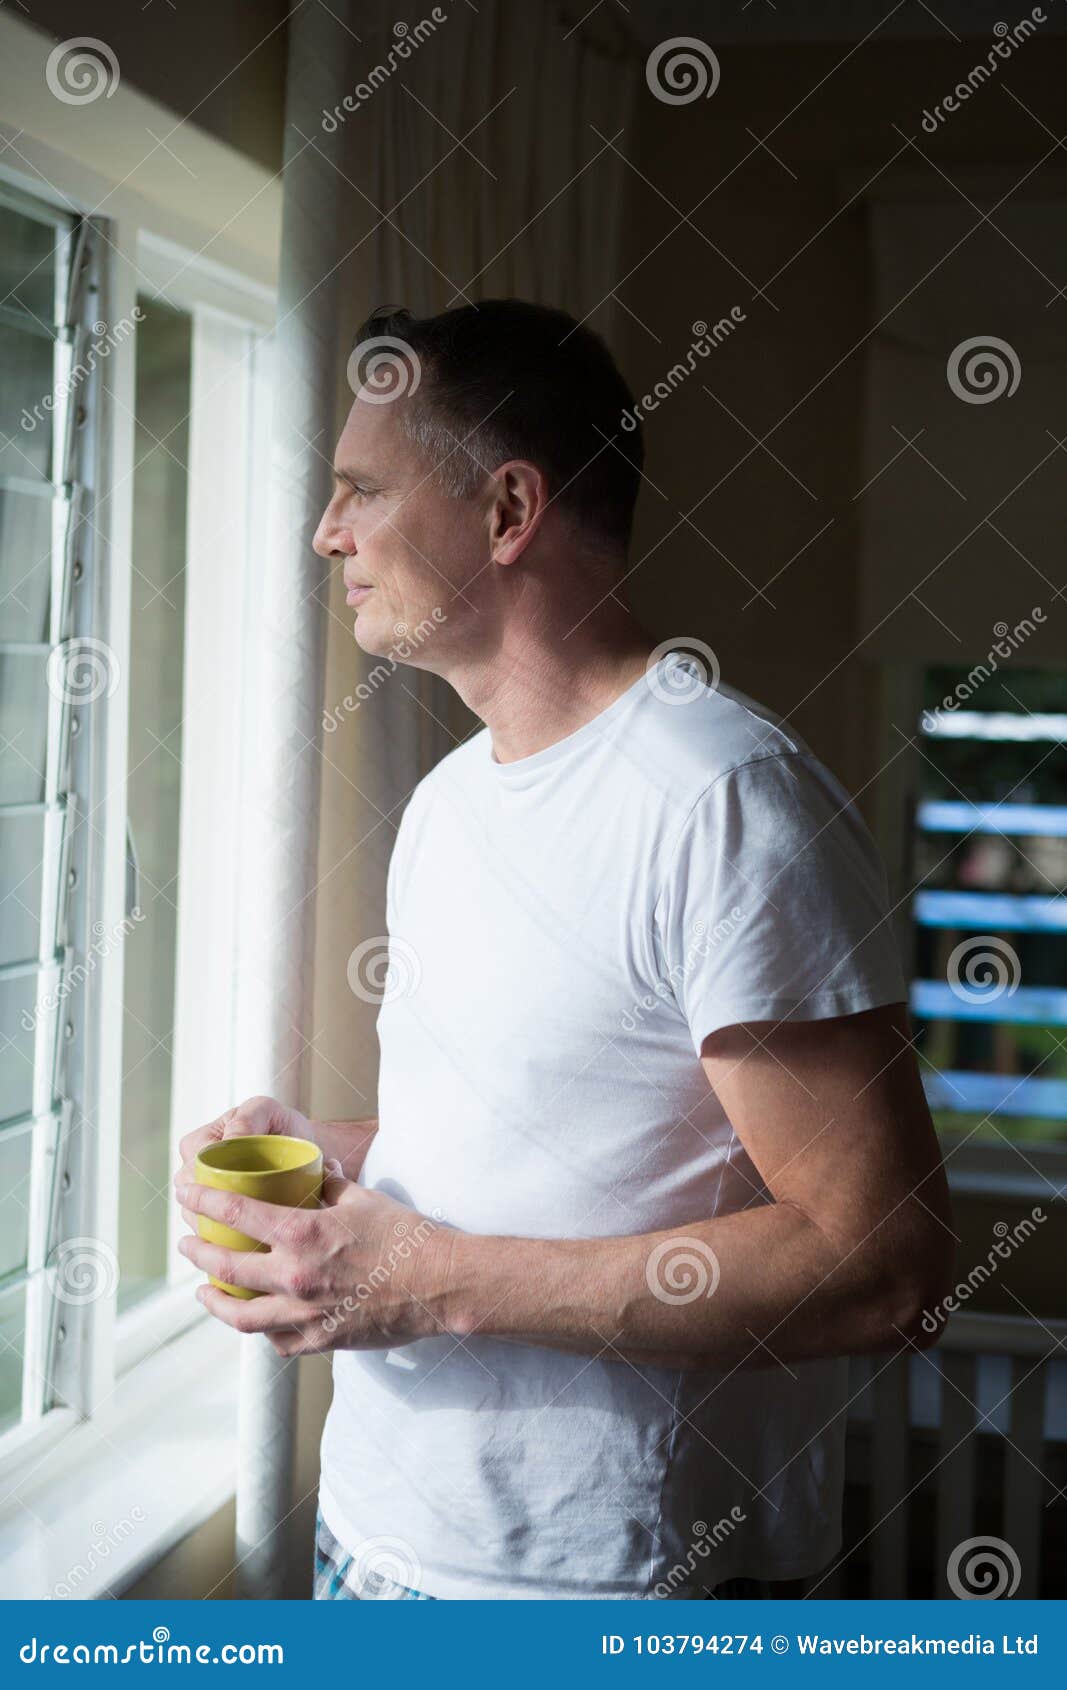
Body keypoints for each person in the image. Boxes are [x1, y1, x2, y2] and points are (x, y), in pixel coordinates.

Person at [175, 299, 952, 1601]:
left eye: (362, 490)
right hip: (371, 1549)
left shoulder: (722, 800)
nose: (329, 534)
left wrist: (433, 1286)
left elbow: (885, 1263)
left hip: (601, 1596)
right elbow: (556, 1122)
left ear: (506, 511)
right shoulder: (451, 798)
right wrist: (332, 1160)